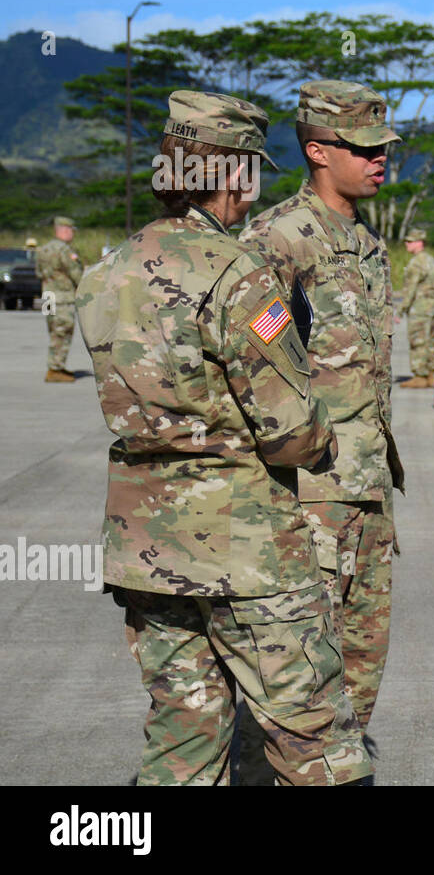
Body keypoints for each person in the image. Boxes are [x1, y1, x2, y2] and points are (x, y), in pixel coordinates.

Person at [74, 90, 371, 785]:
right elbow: (292, 429)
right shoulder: (239, 274)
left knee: (181, 740)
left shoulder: (106, 272)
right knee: (315, 739)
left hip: (148, 546)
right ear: (234, 174)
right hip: (246, 550)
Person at [240, 80, 405, 734]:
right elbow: (253, 368)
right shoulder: (278, 242)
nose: (378, 158)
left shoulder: (367, 244)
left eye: (382, 146)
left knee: (361, 669)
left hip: (366, 488)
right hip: (306, 496)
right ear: (316, 150)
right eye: (362, 147)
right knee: (296, 679)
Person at [35, 216, 82, 382]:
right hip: (62, 298)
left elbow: (39, 273)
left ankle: (56, 366)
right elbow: (76, 274)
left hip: (47, 297)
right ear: (64, 230)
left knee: (53, 332)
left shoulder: (43, 249)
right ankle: (55, 369)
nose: (72, 234)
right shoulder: (64, 250)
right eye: (71, 230)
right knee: (63, 332)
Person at [397, 228, 434, 389]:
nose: (406, 244)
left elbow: (411, 288)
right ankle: (431, 374)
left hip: (419, 308)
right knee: (430, 342)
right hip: (432, 306)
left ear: (419, 242)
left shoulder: (416, 263)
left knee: (418, 341)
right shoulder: (431, 260)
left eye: (410, 241)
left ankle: (420, 375)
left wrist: (401, 308)